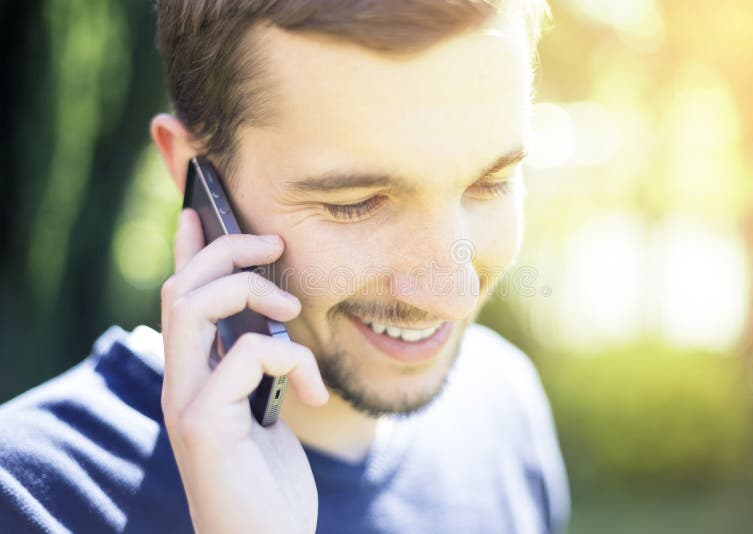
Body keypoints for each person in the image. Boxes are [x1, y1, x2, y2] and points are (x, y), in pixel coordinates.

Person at [0, 1, 570, 532]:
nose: (452, 292)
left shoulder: (503, 410)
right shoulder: (28, 497)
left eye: (490, 183)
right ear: (195, 181)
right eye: (354, 203)